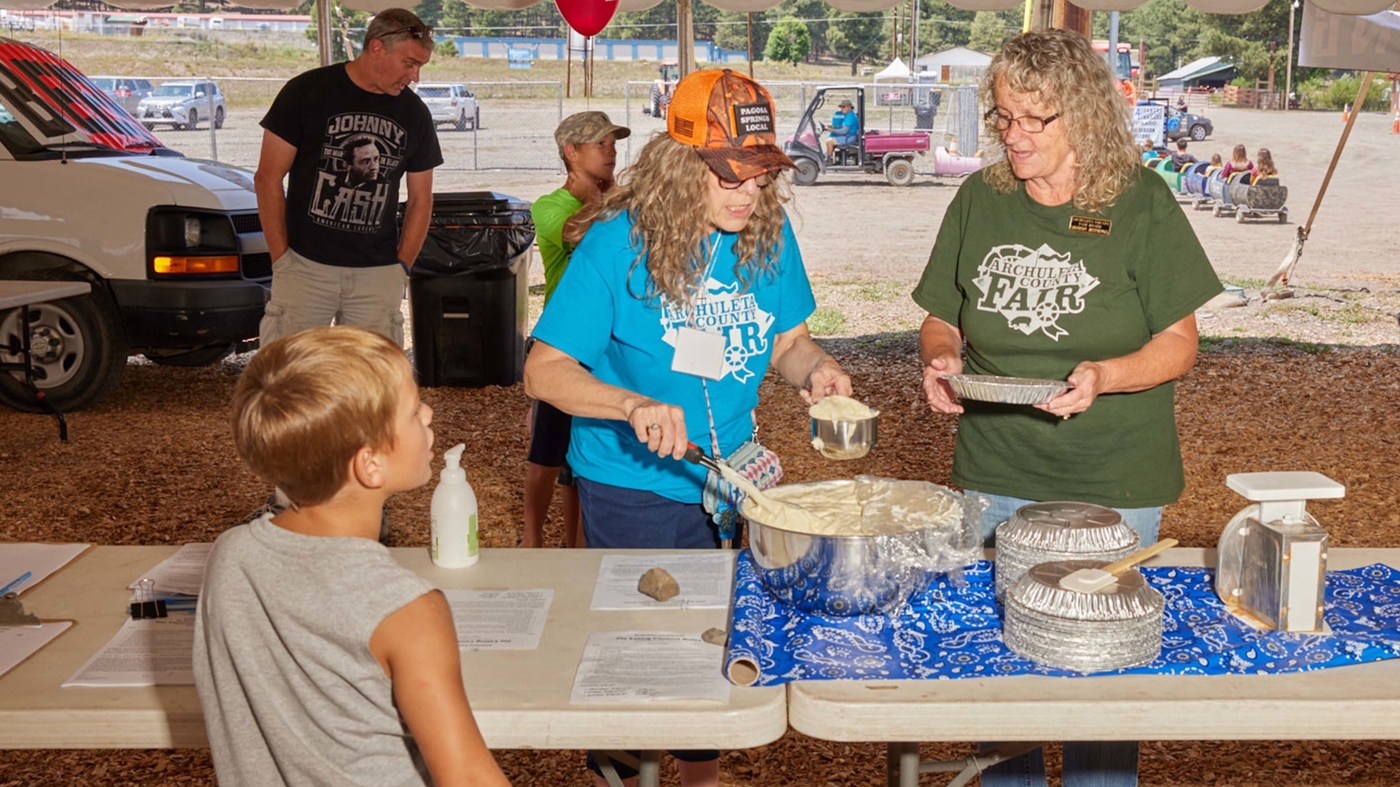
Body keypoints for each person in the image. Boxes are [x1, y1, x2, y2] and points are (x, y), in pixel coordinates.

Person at [524, 68, 852, 787]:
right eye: (729, 176)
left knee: (719, 625)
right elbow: (544, 371)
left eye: (759, 176)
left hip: (731, 477)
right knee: (643, 639)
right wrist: (628, 404)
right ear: (679, 166)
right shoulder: (615, 243)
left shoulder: (765, 230)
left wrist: (816, 369)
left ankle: (698, 771)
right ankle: (628, 764)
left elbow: (790, 341)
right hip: (633, 480)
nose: (748, 193)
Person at [913, 30, 1221, 787]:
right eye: (1003, 117)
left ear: (1081, 115)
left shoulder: (1140, 200)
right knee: (1005, 680)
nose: (1013, 136)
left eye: (1033, 120)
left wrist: (1108, 374)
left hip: (1112, 483)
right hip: (995, 472)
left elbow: (1180, 344)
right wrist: (939, 357)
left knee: (1100, 685)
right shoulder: (980, 198)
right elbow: (939, 314)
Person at [194, 326, 511, 787]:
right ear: (370, 465)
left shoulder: (231, 555)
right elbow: (467, 777)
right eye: (412, 409)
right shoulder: (407, 608)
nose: (428, 412)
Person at [254, 8, 443, 349]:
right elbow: (268, 179)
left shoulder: (414, 113)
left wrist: (400, 268)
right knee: (287, 377)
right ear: (376, 48)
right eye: (409, 63)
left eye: (420, 66)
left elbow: (420, 199)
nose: (415, 76)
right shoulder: (306, 92)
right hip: (304, 267)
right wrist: (282, 259)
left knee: (374, 386)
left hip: (377, 272)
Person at [524, 110, 631, 549]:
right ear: (571, 152)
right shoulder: (550, 206)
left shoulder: (619, 201)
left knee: (584, 457)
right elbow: (576, 232)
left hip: (606, 345)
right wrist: (618, 200)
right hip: (563, 345)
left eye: (613, 143)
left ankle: (577, 546)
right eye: (600, 144)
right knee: (547, 456)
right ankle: (532, 539)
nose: (611, 151)